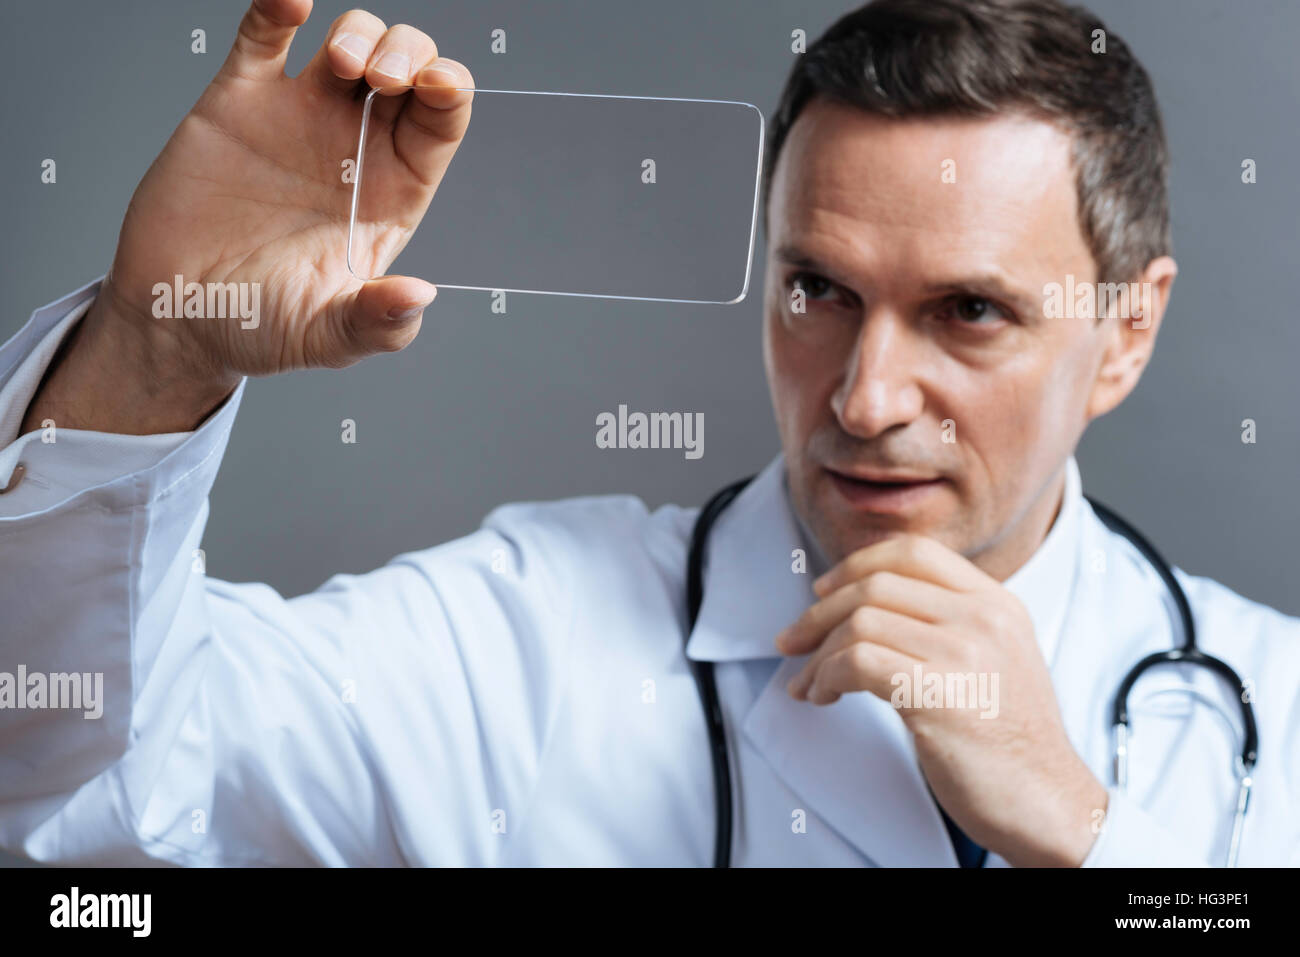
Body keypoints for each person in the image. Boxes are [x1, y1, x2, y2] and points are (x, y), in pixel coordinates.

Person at [0, 0, 1296, 867]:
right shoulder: (526, 643)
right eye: (818, 292)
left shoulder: (1275, 706)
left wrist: (1084, 833)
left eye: (967, 311)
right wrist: (157, 343)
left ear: (1125, 331)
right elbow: (93, 793)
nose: (863, 398)